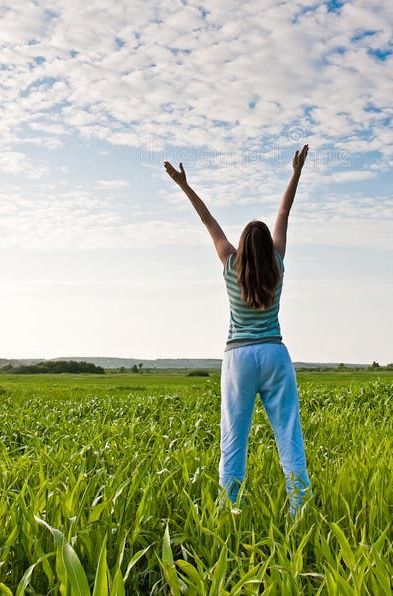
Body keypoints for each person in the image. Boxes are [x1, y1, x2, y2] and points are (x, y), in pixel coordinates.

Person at [164, 145, 311, 515]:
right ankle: (300, 510)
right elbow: (284, 211)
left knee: (233, 439)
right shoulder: (276, 264)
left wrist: (184, 185)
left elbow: (208, 221)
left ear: (243, 246)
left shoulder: (230, 263)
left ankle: (230, 510)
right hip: (275, 354)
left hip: (239, 357)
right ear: (268, 248)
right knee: (288, 437)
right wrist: (295, 173)